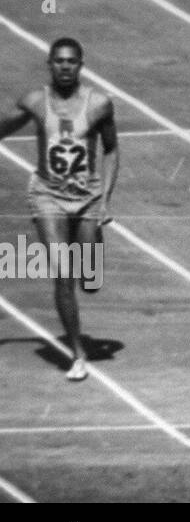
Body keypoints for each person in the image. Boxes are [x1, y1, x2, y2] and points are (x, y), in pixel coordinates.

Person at [0, 38, 119, 381]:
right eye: (59, 61)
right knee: (62, 273)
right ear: (49, 64)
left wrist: (106, 197)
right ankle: (77, 354)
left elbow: (111, 149)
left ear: (80, 65)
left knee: (87, 275)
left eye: (71, 62)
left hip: (88, 196)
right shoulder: (35, 102)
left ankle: (91, 253)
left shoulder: (99, 104)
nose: (65, 67)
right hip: (47, 195)